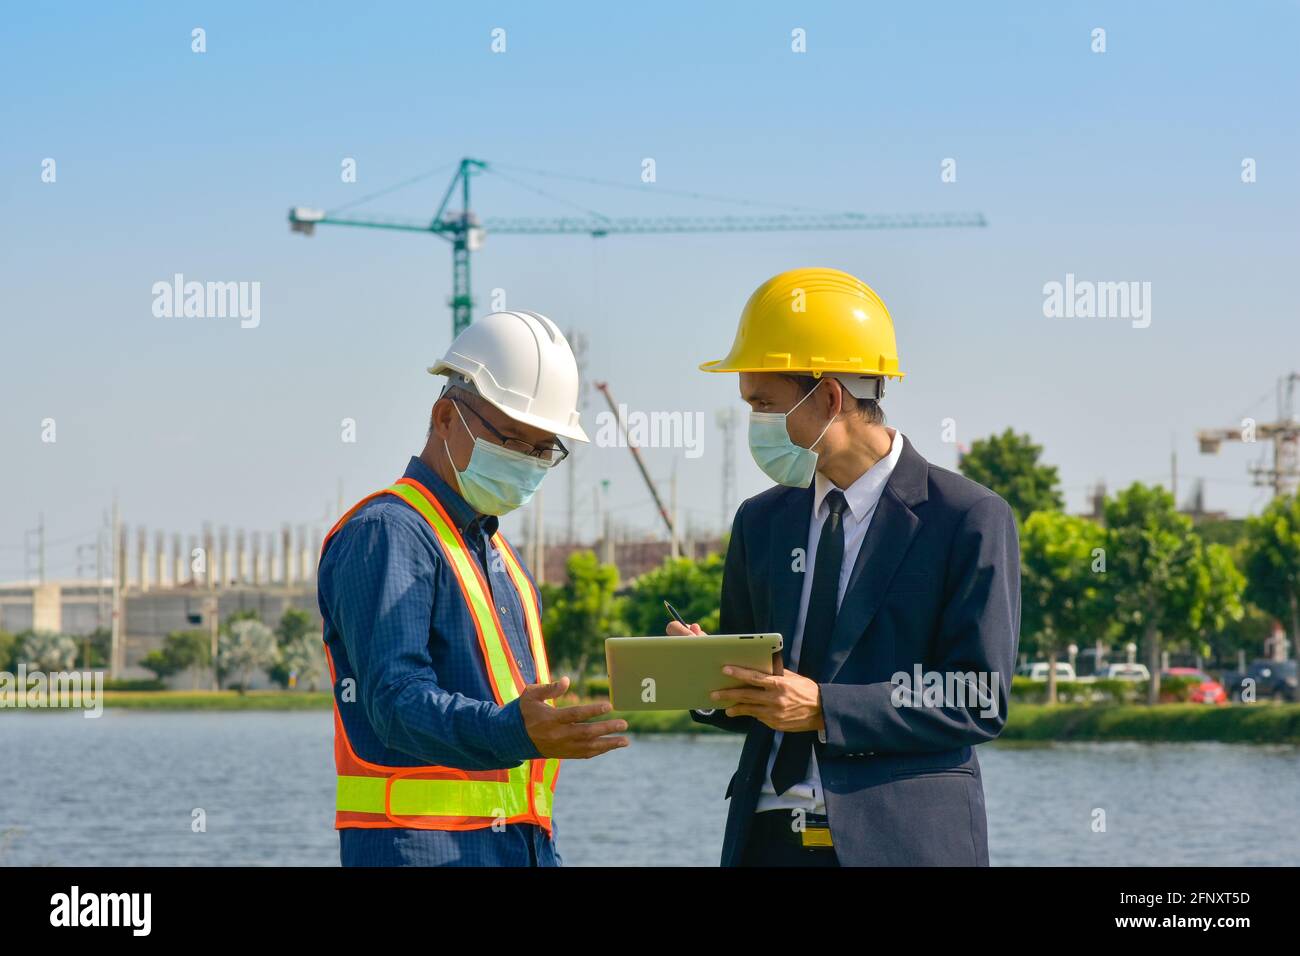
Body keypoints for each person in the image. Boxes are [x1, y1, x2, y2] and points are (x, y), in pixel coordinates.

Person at [671, 267, 1020, 866]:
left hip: (902, 843)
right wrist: (704, 676)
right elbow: (754, 701)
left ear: (829, 396)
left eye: (763, 403)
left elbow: (979, 694)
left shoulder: (968, 517)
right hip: (767, 841)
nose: (753, 421)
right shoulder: (760, 520)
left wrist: (825, 709)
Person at [318, 310, 629, 866]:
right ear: (444, 417)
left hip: (518, 848)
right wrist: (515, 730)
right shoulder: (389, 532)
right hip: (419, 848)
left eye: (542, 451)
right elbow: (394, 702)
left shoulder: (500, 557)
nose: (526, 463)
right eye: (512, 440)